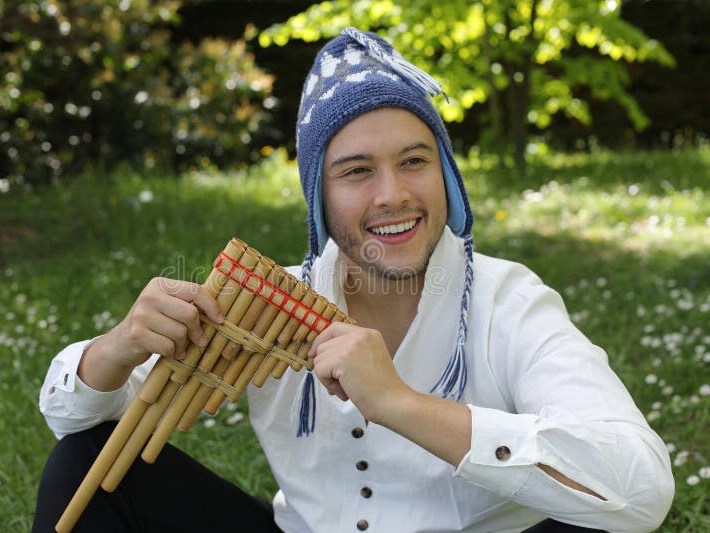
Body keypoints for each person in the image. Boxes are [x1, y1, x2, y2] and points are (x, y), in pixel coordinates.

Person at [33, 28, 674, 532]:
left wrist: (400, 403)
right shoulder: (261, 305)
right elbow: (71, 417)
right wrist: (114, 350)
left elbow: (641, 487)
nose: (392, 195)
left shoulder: (507, 301)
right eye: (356, 171)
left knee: (596, 507)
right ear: (320, 198)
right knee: (84, 462)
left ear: (447, 176)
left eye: (414, 161)